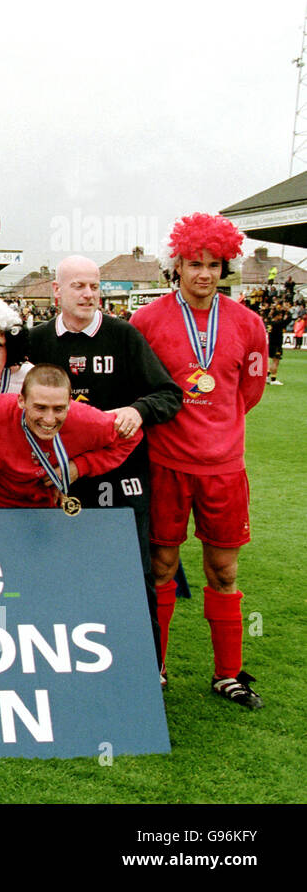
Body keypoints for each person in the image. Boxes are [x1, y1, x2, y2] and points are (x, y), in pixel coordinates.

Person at [131, 213, 268, 708]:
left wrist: (216, 425)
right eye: (194, 263)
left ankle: (227, 675)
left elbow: (247, 393)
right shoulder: (146, 320)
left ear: (224, 267)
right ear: (179, 265)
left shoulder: (249, 324)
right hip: (166, 460)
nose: (204, 273)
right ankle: (157, 666)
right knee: (162, 565)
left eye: (213, 264)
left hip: (224, 467)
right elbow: (141, 387)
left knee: (224, 570)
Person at [28, 255, 183, 669]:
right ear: (56, 292)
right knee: (60, 574)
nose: (88, 294)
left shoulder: (124, 336)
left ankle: (147, 668)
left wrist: (139, 409)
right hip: (55, 480)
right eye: (78, 286)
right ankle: (67, 662)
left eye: (94, 286)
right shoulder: (35, 340)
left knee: (130, 572)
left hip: (121, 476)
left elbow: (169, 394)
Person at [0, 364, 141, 512]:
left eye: (59, 409)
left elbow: (130, 437)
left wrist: (79, 466)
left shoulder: (86, 420)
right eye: (40, 407)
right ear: (21, 400)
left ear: (70, 404)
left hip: (47, 511)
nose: (49, 419)